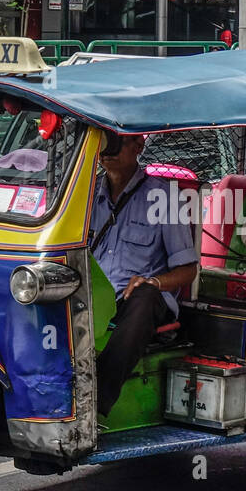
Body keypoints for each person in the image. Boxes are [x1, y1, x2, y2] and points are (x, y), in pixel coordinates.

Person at [90, 131, 198, 416]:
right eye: (104, 142)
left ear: (139, 146)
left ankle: (96, 402)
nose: (108, 150)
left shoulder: (164, 197)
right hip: (95, 296)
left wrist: (153, 281)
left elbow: (188, 271)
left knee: (145, 294)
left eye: (117, 141)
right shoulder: (86, 196)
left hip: (140, 302)